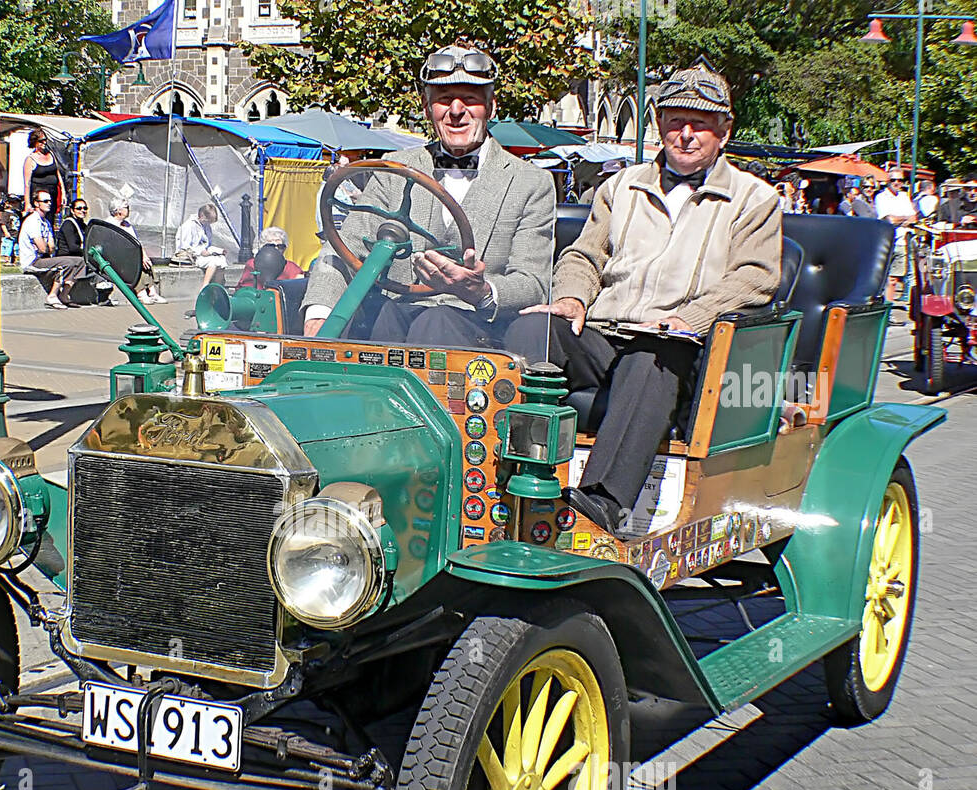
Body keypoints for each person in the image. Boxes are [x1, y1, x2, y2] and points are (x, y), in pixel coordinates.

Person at [502, 65, 782, 534]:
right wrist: (571, 298)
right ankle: (499, 478)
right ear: (658, 124)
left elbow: (756, 277)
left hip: (684, 348)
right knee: (531, 329)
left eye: (701, 124)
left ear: (724, 131)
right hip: (605, 336)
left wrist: (690, 317)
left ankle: (600, 503)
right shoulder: (620, 187)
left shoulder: (755, 199)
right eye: (676, 121)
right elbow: (584, 255)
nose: (686, 135)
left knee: (652, 354)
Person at [301, 42, 555, 346]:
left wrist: (481, 290)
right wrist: (320, 314)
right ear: (427, 108)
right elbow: (344, 247)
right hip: (393, 325)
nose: (457, 111)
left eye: (470, 99)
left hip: (476, 333)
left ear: (491, 107)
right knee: (378, 316)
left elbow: (532, 282)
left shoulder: (530, 182)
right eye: (444, 100)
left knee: (438, 320)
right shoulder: (393, 170)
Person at [19, 189, 85, 307]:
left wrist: (45, 246)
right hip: (32, 261)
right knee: (67, 263)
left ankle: (64, 295)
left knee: (80, 262)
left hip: (44, 259)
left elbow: (52, 247)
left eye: (50, 200)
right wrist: (44, 246)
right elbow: (44, 248)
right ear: (36, 203)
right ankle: (52, 296)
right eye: (45, 201)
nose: (49, 203)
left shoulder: (46, 222)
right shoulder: (32, 221)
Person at [108, 199, 165, 304]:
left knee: (146, 261)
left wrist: (144, 255)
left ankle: (152, 292)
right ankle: (141, 292)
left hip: (131, 253)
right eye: (126, 207)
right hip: (118, 256)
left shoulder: (127, 224)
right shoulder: (110, 224)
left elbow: (137, 242)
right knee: (135, 264)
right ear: (118, 210)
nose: (128, 209)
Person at [874, 169, 917, 303]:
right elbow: (889, 220)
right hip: (886, 241)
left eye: (900, 180)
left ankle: (889, 309)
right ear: (888, 181)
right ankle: (881, 307)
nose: (897, 183)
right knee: (881, 277)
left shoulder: (904, 196)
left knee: (893, 279)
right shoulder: (881, 197)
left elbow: (914, 217)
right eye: (893, 180)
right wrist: (905, 218)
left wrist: (900, 219)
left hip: (902, 241)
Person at [175, 203, 229, 287]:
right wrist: (201, 252)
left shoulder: (206, 226)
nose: (209, 224)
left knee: (221, 260)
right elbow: (184, 247)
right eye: (208, 221)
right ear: (202, 215)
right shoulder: (189, 226)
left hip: (203, 255)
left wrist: (218, 251)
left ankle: (217, 287)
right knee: (213, 262)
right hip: (191, 257)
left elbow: (207, 245)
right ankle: (205, 286)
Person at [237, 226, 304, 288]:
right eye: (271, 246)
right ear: (262, 247)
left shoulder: (291, 267)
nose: (276, 249)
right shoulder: (252, 264)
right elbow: (245, 288)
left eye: (280, 246)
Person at [23, 129, 62, 216]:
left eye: (45, 140)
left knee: (51, 219)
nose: (44, 142)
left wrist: (63, 193)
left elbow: (58, 173)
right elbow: (27, 183)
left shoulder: (51, 154)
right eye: (41, 141)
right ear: (35, 142)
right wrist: (27, 203)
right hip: (39, 197)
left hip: (53, 194)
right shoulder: (30, 159)